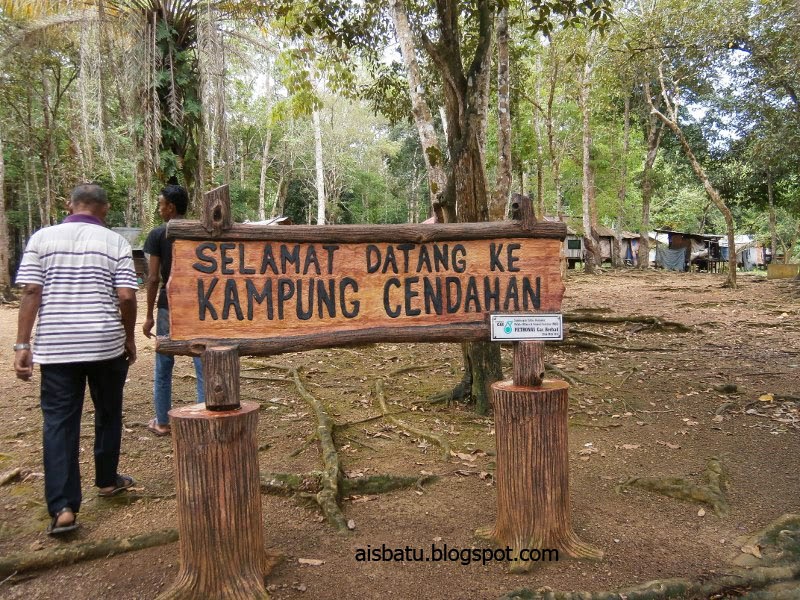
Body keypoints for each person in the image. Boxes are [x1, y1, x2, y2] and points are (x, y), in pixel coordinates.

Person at [14, 183, 138, 536]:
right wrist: (128, 337)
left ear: (70, 205)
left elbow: (31, 292)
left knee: (59, 423)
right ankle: (107, 480)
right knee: (108, 412)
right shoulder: (115, 243)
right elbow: (127, 297)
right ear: (105, 208)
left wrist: (22, 344)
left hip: (57, 346)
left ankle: (64, 508)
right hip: (104, 344)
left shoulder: (42, 238)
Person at [142, 184, 205, 436]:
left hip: (169, 306)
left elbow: (154, 277)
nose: (159, 209)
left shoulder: (158, 234)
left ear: (171, 207)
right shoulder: (197, 232)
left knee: (163, 364)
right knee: (202, 363)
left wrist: (148, 315)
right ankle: (204, 417)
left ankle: (163, 421)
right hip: (198, 307)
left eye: (161, 204)